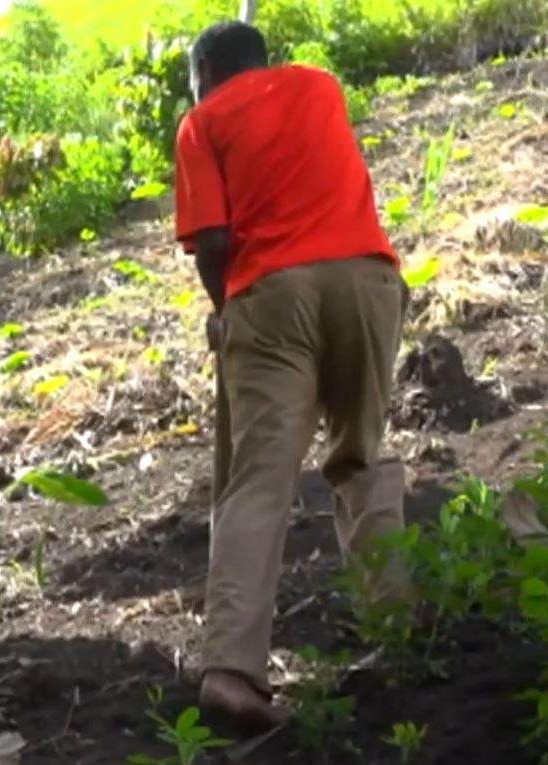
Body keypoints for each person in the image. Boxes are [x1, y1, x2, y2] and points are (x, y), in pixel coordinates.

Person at [175, 21, 411, 736]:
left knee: (257, 479)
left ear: (207, 75)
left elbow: (212, 240)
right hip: (367, 279)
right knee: (361, 457)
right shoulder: (319, 87)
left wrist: (229, 314)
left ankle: (231, 672)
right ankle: (397, 631)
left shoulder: (201, 121)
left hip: (272, 295)